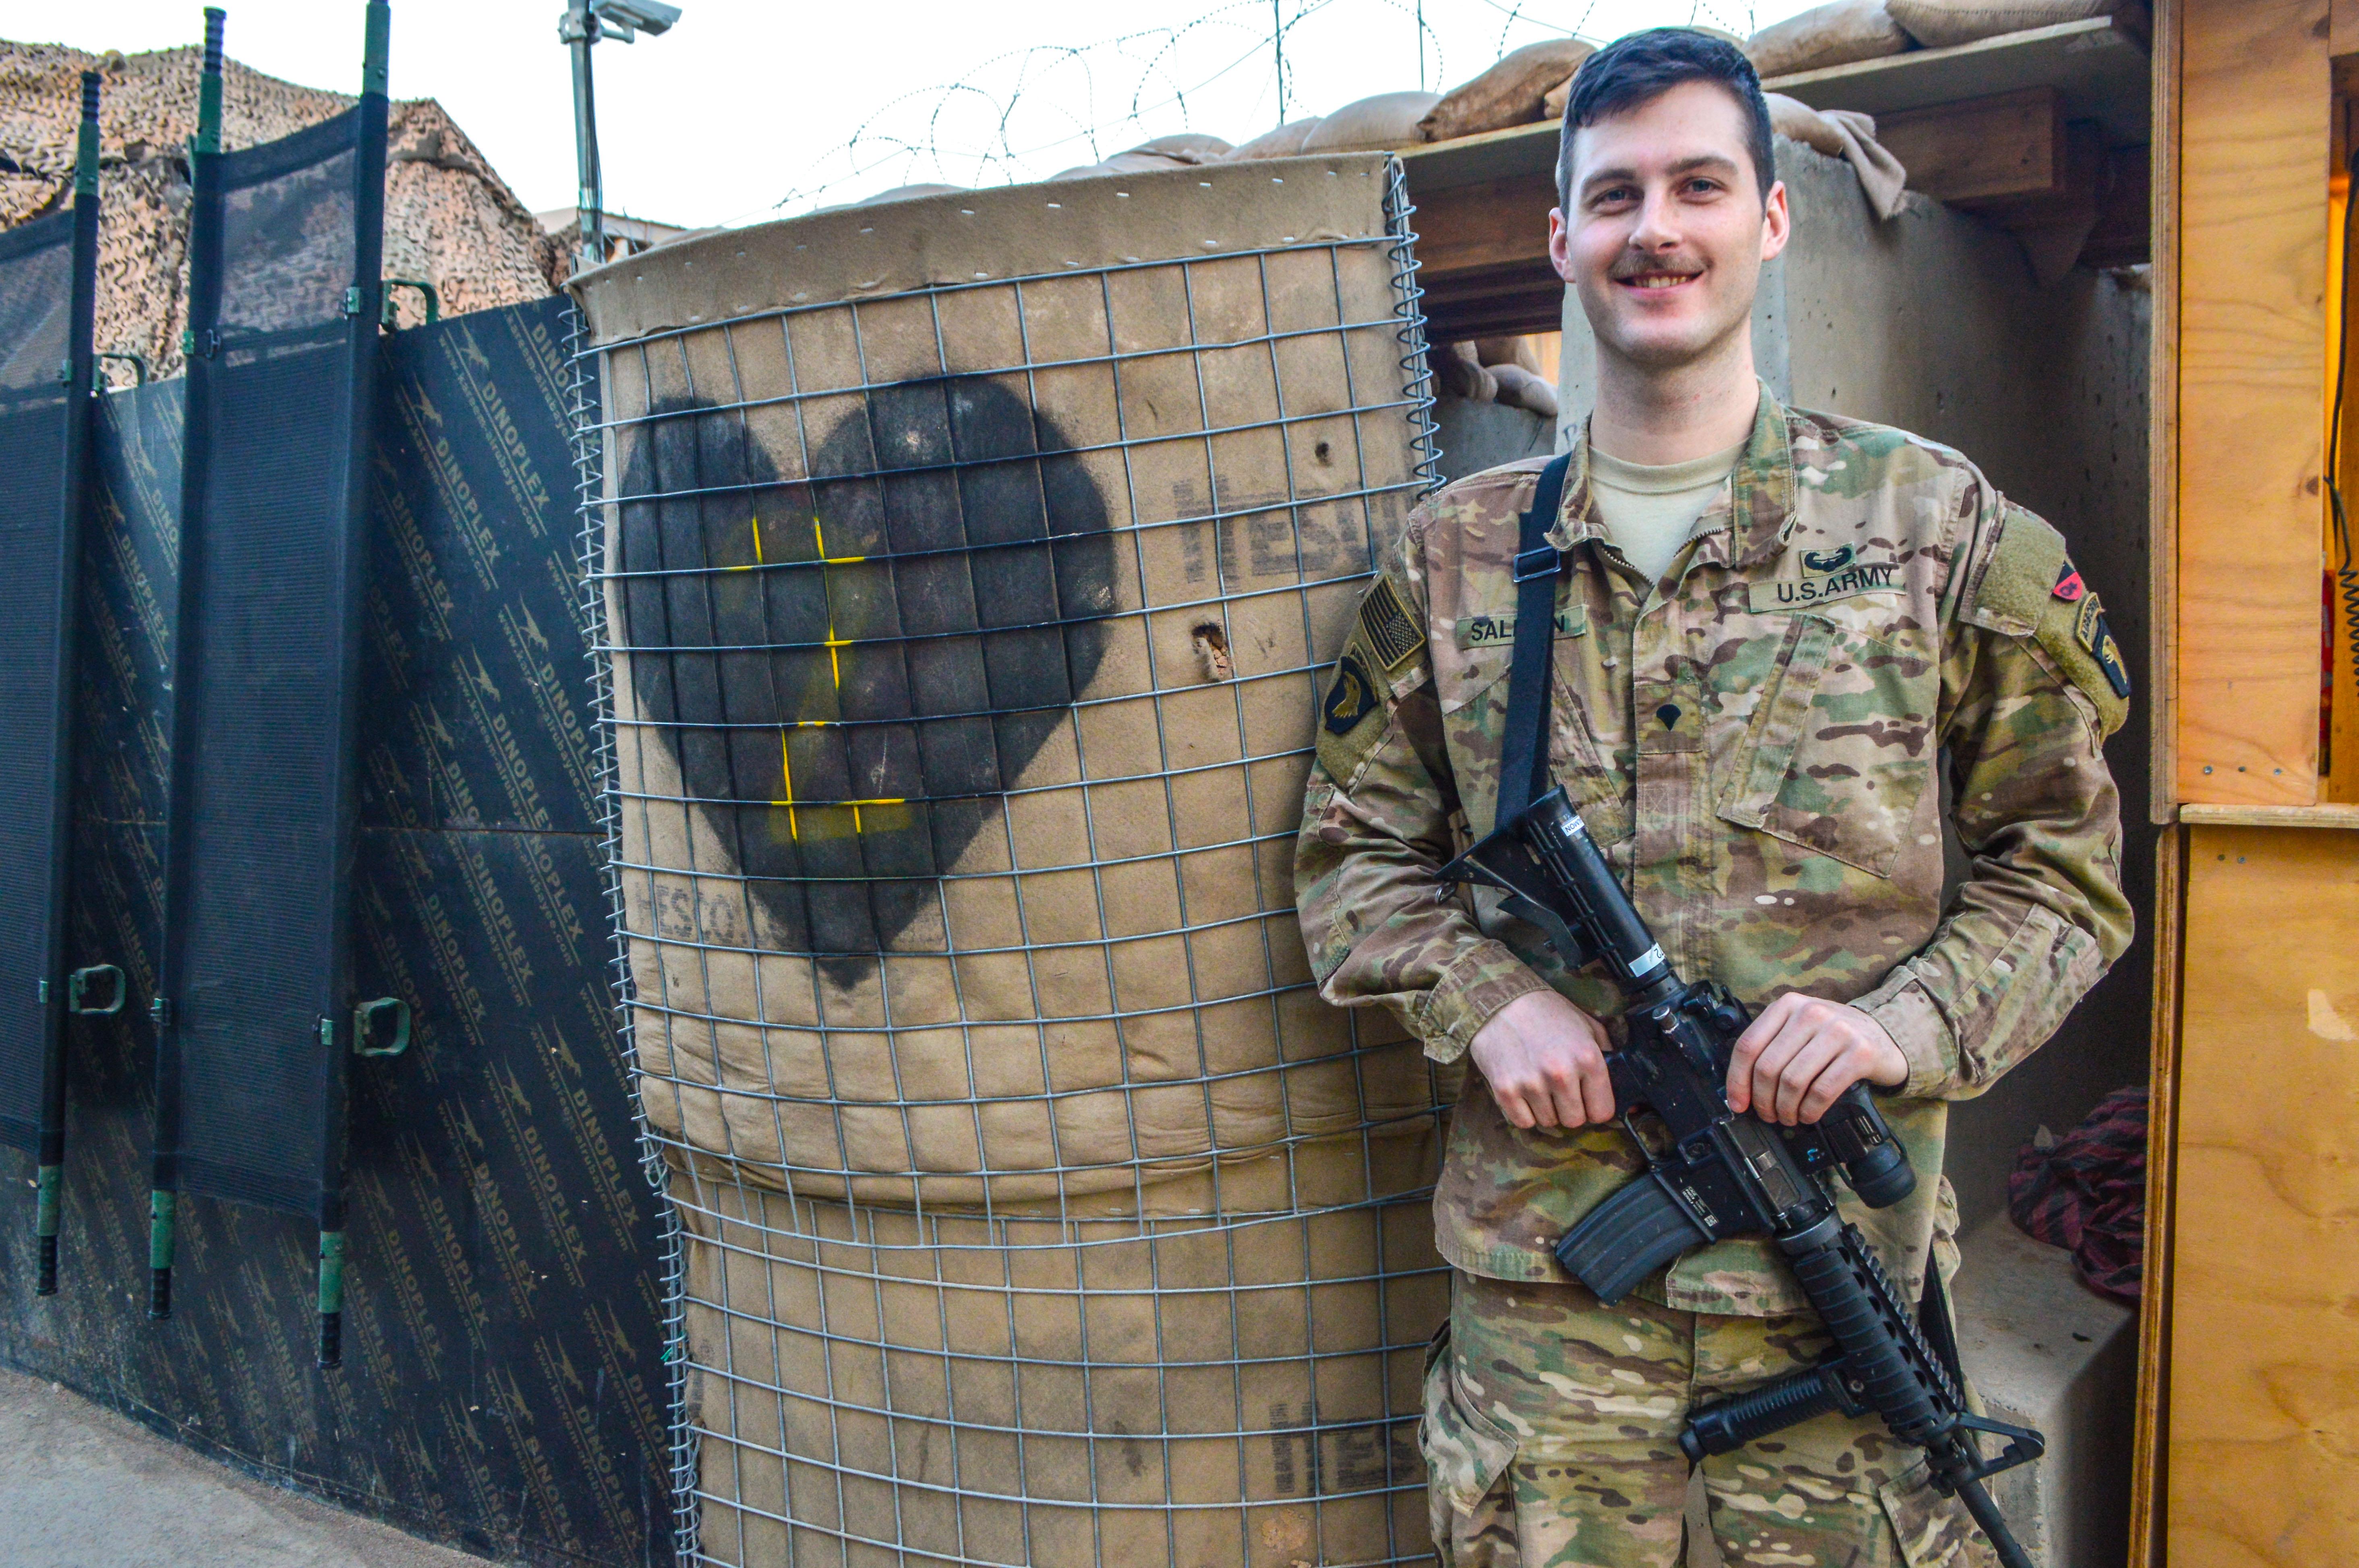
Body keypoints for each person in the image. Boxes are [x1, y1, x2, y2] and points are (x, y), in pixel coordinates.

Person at [1294, 27, 2133, 1568]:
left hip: (1839, 1300)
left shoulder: (1926, 524)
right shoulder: (1458, 555)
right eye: (1612, 197)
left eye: (1696, 185)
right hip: (1551, 1335)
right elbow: (1354, 856)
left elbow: (2062, 873)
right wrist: (1484, 998)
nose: (1653, 230)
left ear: (1769, 218)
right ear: (1561, 239)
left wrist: (1904, 1024)